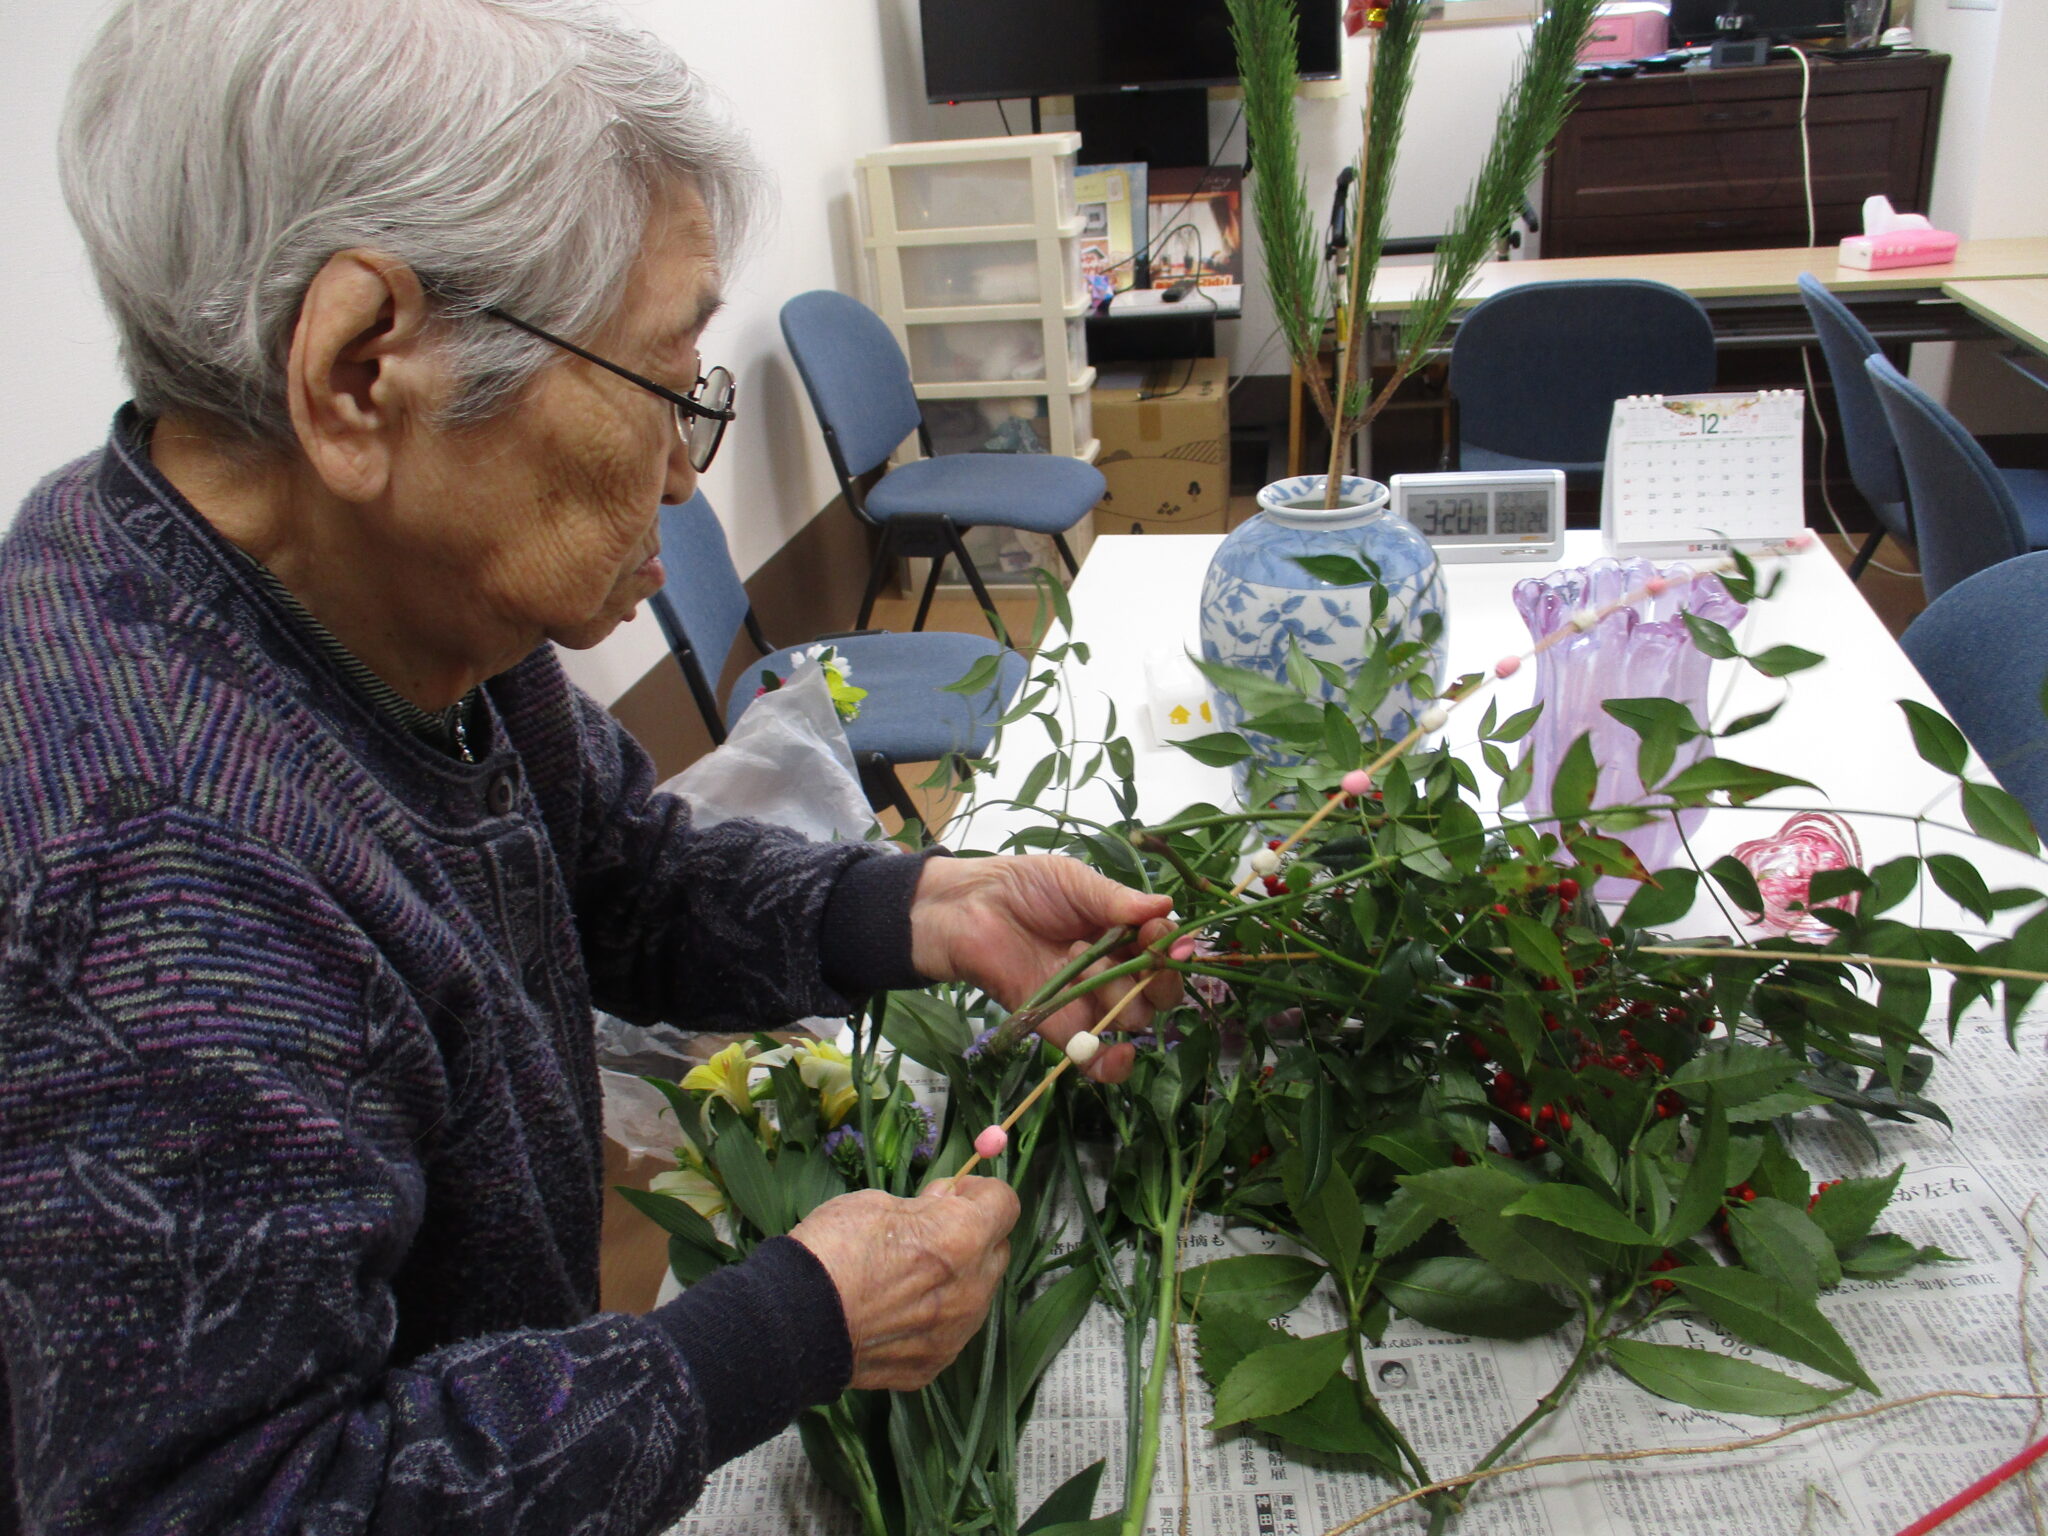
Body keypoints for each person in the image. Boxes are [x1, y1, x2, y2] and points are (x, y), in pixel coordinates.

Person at [0, 1, 1179, 1530]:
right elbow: (247, 1498)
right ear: (365, 370)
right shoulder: (156, 896)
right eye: (664, 374)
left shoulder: (374, 595)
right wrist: (782, 1331)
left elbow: (620, 866)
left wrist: (929, 909)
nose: (689, 470)